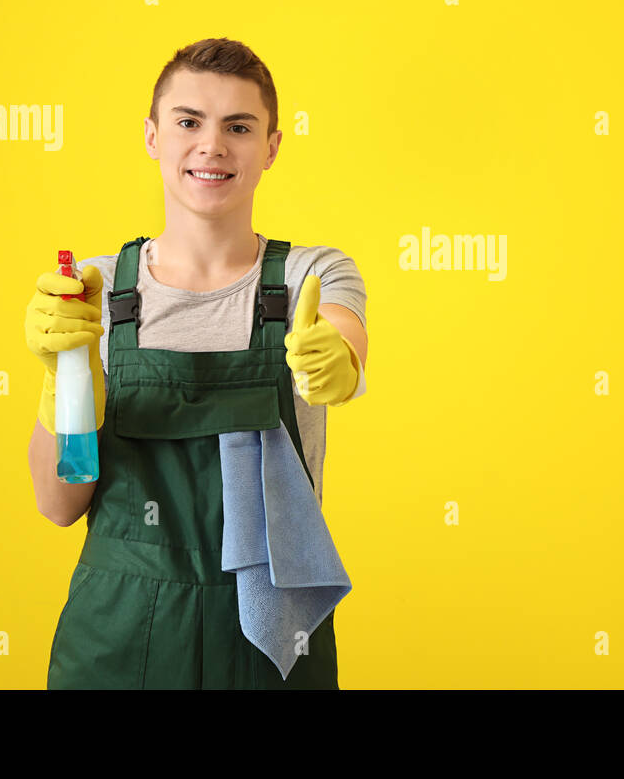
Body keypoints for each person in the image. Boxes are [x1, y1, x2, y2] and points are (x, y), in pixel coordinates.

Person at [23, 37, 368, 689]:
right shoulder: (93, 293)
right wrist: (60, 380)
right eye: (189, 122)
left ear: (271, 146)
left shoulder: (309, 276)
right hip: (118, 632)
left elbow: (345, 337)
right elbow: (59, 502)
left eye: (239, 126)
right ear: (152, 136)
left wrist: (339, 360)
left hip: (272, 631)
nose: (212, 145)